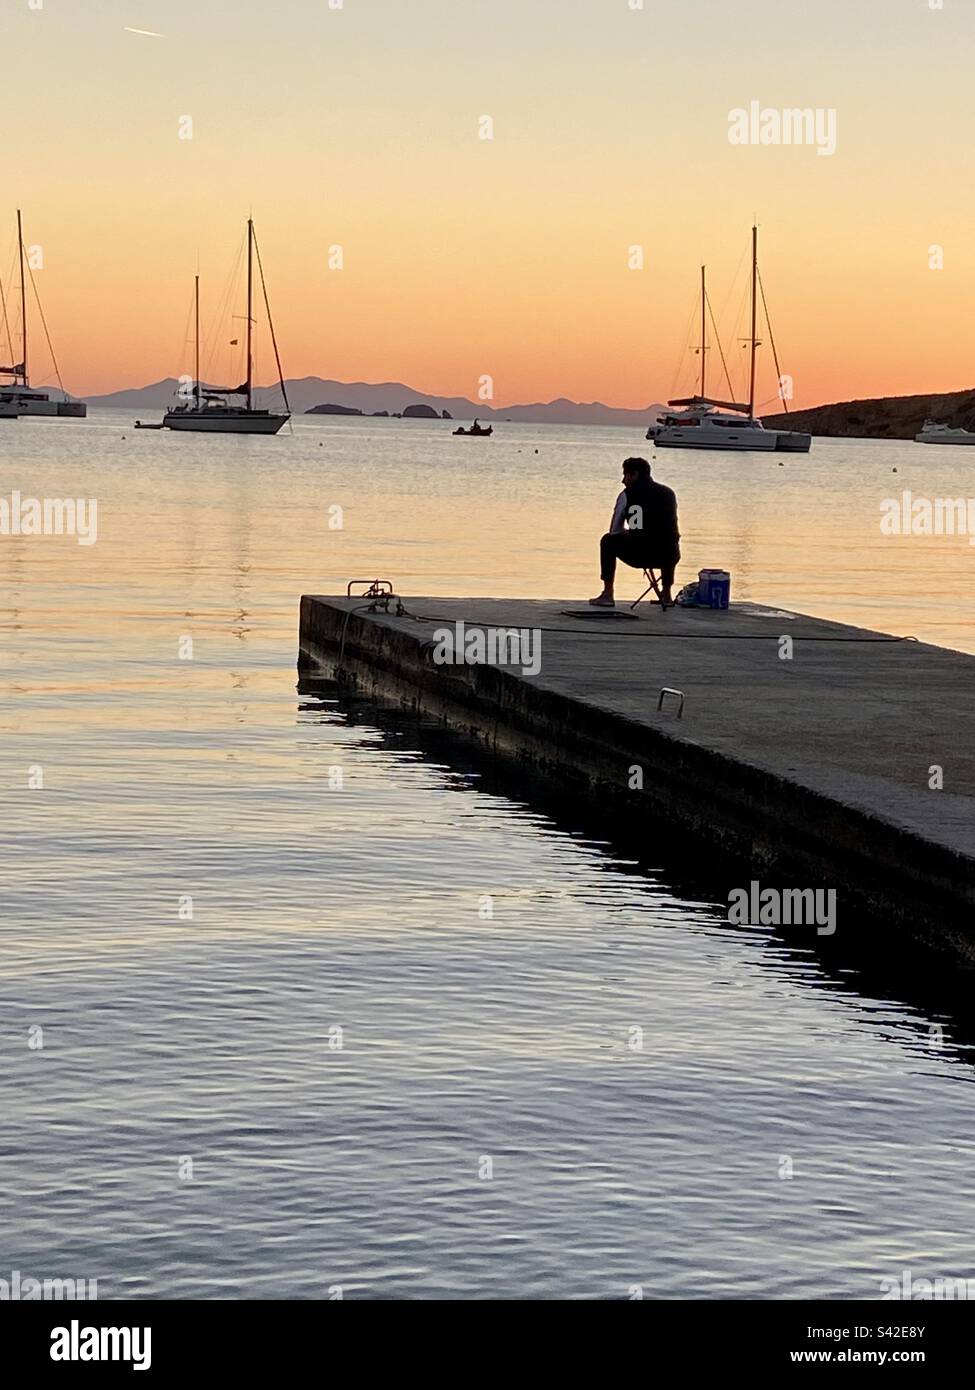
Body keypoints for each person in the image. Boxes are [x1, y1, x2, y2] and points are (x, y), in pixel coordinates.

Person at [589, 457, 680, 608]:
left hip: (641, 554)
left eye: (625, 475)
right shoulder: (668, 493)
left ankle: (608, 593)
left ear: (635, 475)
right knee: (667, 539)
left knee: (607, 541)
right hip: (669, 555)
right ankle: (666, 594)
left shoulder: (627, 495)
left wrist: (626, 532)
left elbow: (615, 530)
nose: (623, 481)